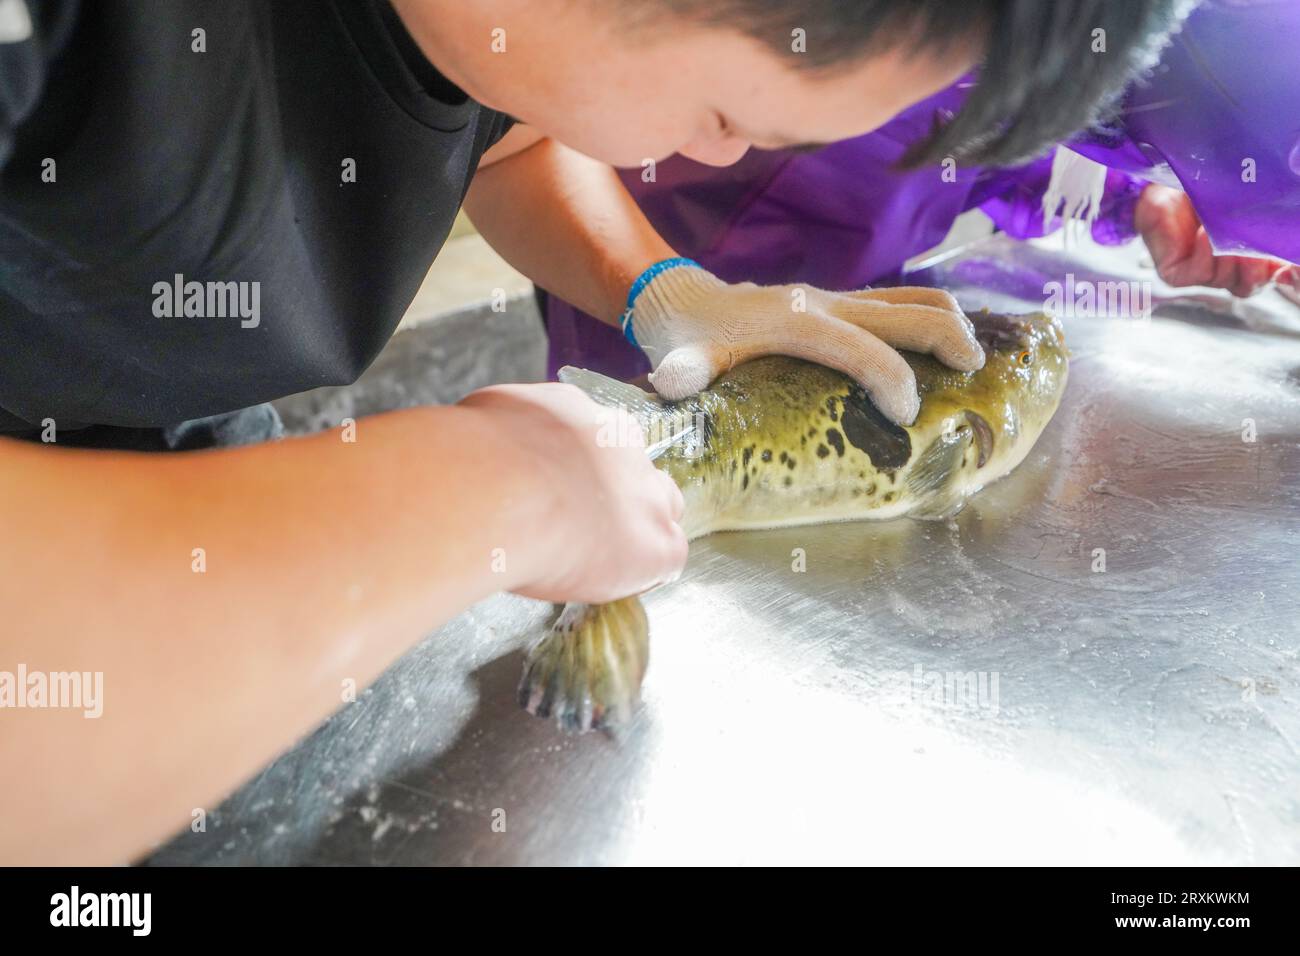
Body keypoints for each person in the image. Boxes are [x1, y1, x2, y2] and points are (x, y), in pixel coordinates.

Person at [0, 0, 1192, 863]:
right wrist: (495, 484)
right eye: (726, 113)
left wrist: (663, 287)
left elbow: (498, 121)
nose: (720, 157)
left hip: (186, 484)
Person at [542, 0, 1300, 380]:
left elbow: (972, 136)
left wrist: (1124, 199)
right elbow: (522, 139)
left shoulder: (956, 52)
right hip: (659, 316)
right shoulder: (790, 63)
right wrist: (661, 293)